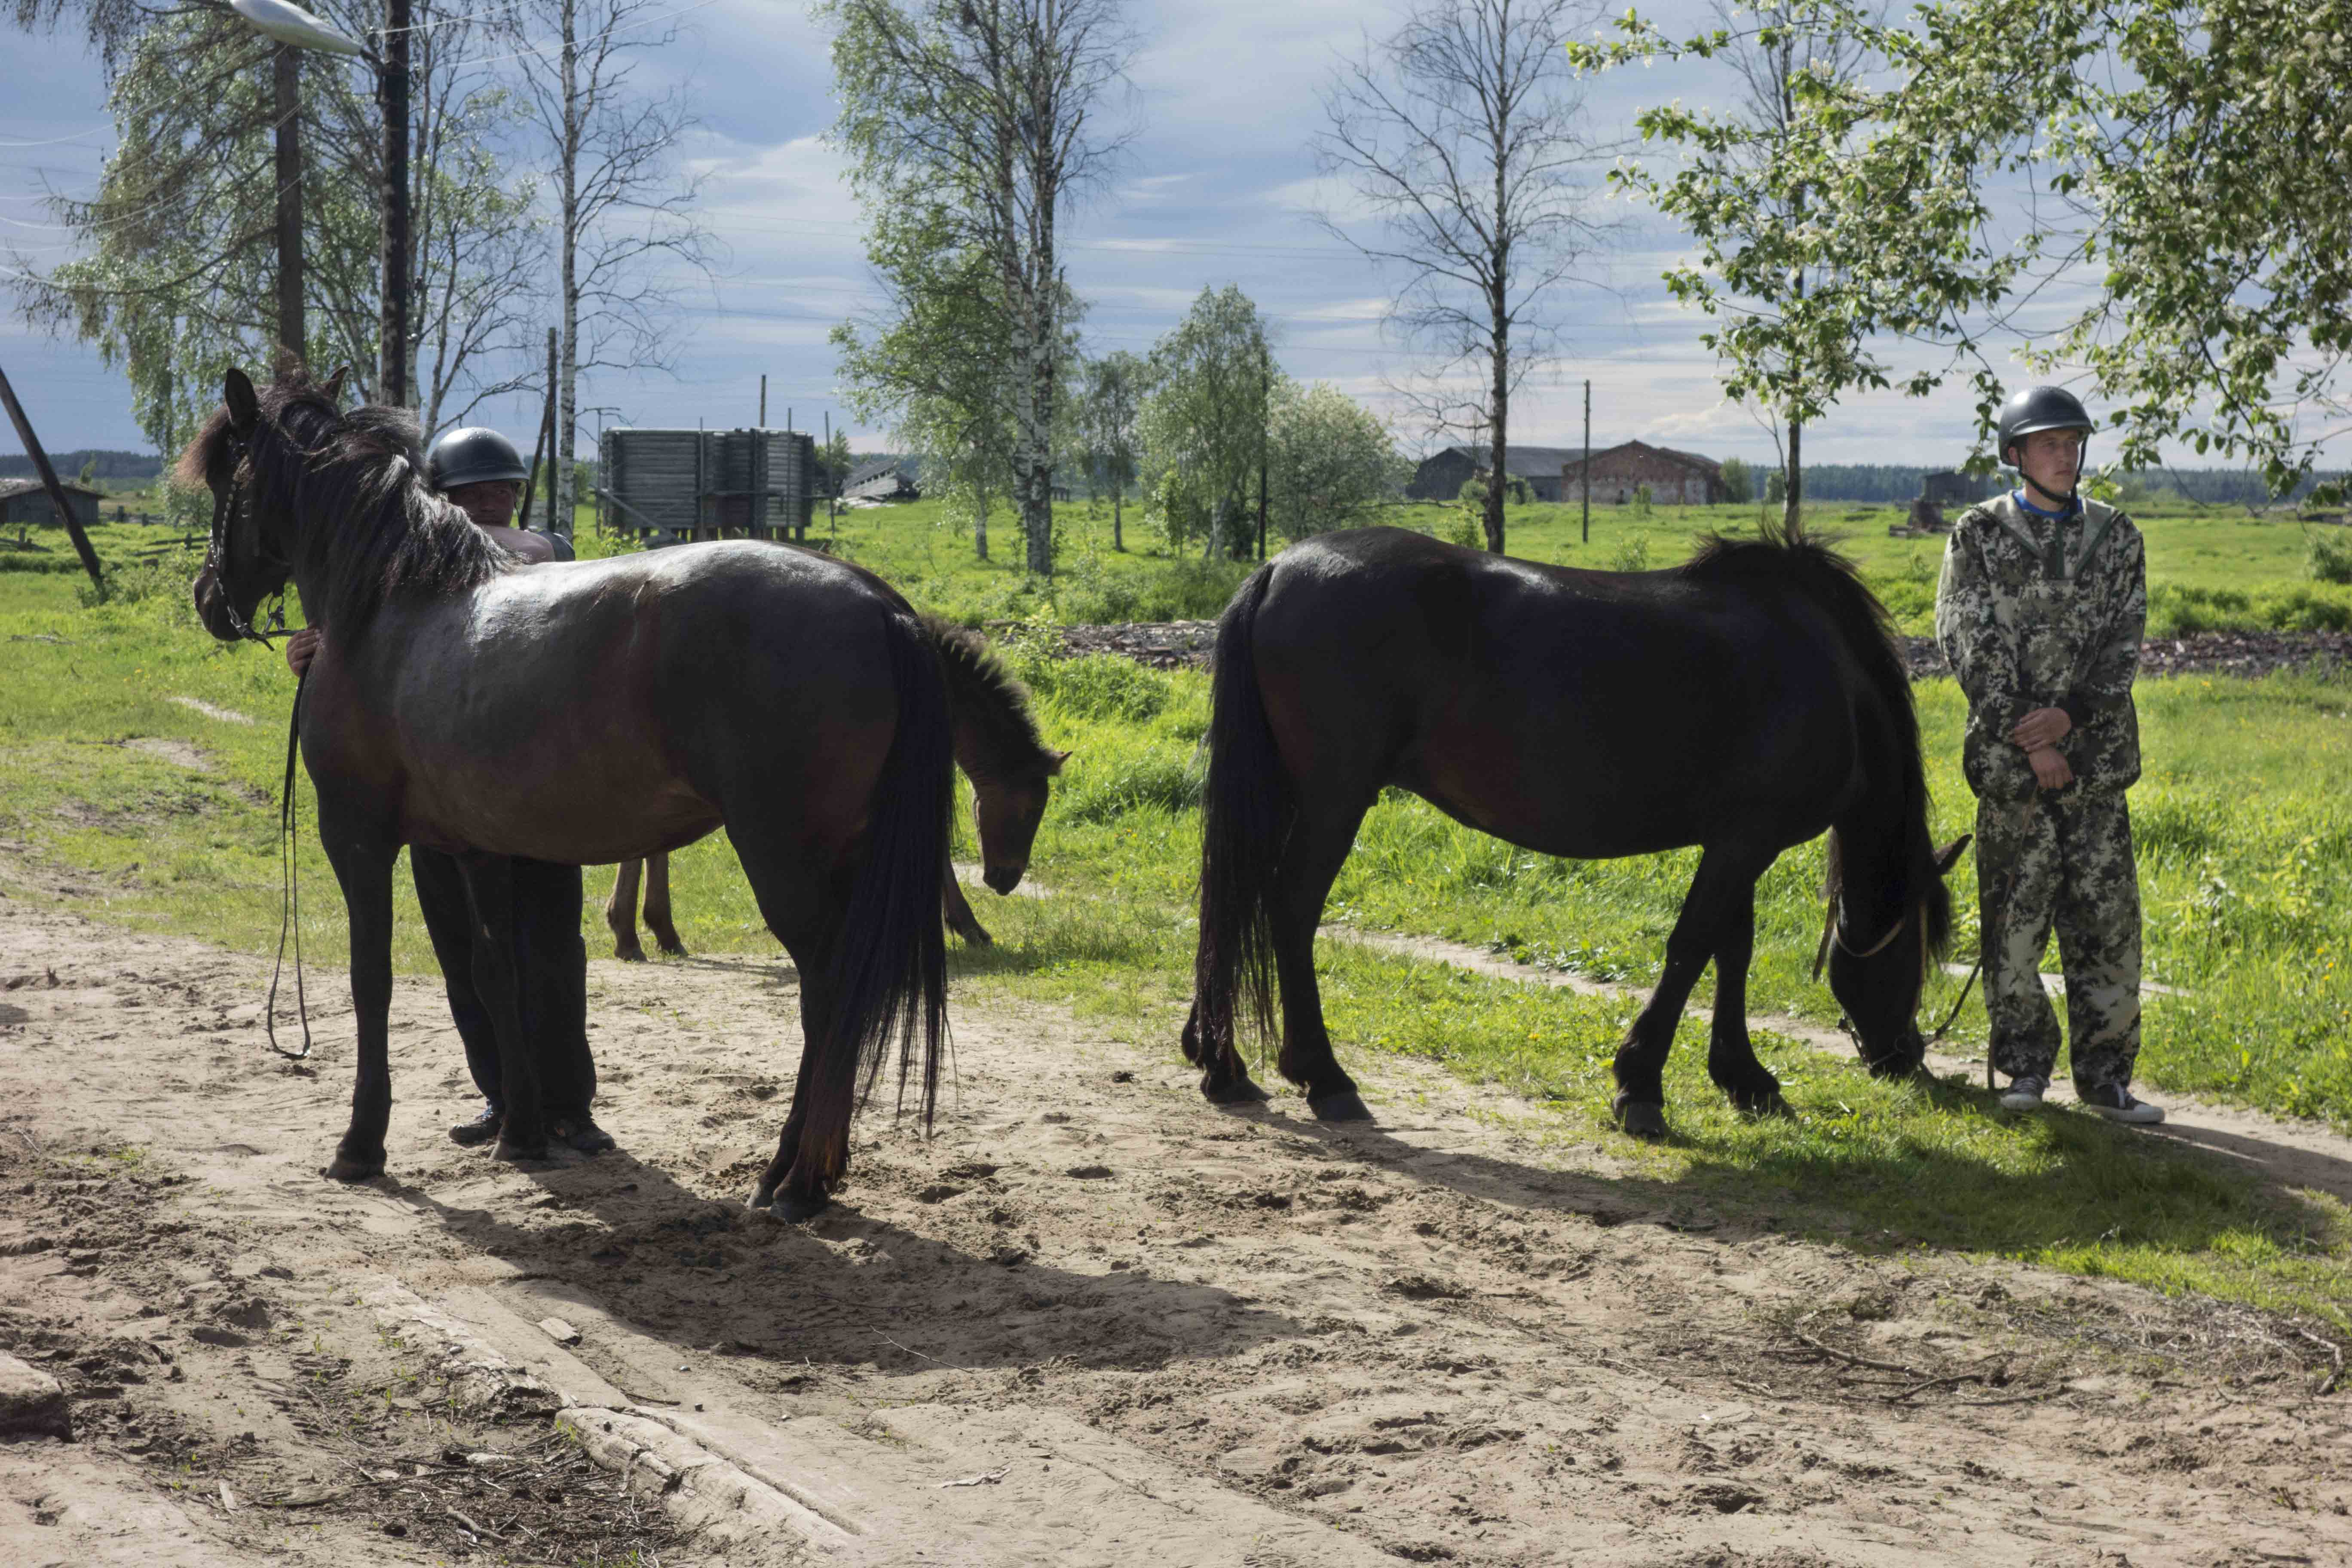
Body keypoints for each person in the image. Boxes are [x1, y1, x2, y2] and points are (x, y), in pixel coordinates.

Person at [285, 426, 611, 1152]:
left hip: (445, 784)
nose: (492, 501)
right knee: (533, 946)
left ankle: (538, 1100)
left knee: (504, 949)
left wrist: (321, 648)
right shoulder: (543, 549)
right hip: (527, 781)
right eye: (485, 490)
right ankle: (540, 1103)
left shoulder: (473, 554)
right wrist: (317, 646)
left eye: (498, 491)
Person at [1935, 385, 2164, 1125]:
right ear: (2016, 455)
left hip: (2096, 769)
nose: (2065, 456)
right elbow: (1968, 642)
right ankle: (2025, 1071)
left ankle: (2106, 1081)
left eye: (2072, 443)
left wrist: (2069, 721)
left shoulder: (2116, 537)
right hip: (2013, 777)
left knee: (2108, 930)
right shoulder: (1979, 536)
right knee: (2015, 929)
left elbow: (2123, 644)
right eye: (2048, 444)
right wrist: (2029, 739)